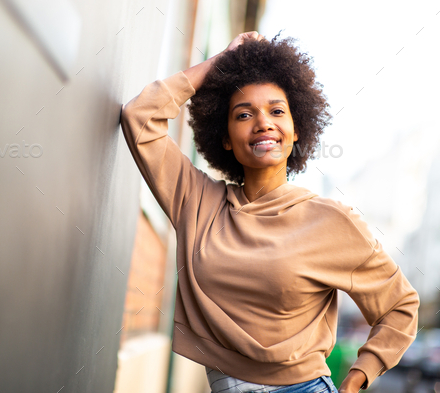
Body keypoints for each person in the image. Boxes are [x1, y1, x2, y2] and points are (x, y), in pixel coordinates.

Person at [119, 31, 420, 393]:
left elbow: (400, 306)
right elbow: (140, 117)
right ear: (225, 138)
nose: (263, 122)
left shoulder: (331, 221)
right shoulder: (196, 201)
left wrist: (357, 379)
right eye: (244, 114)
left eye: (277, 111)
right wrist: (221, 64)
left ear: (295, 131)